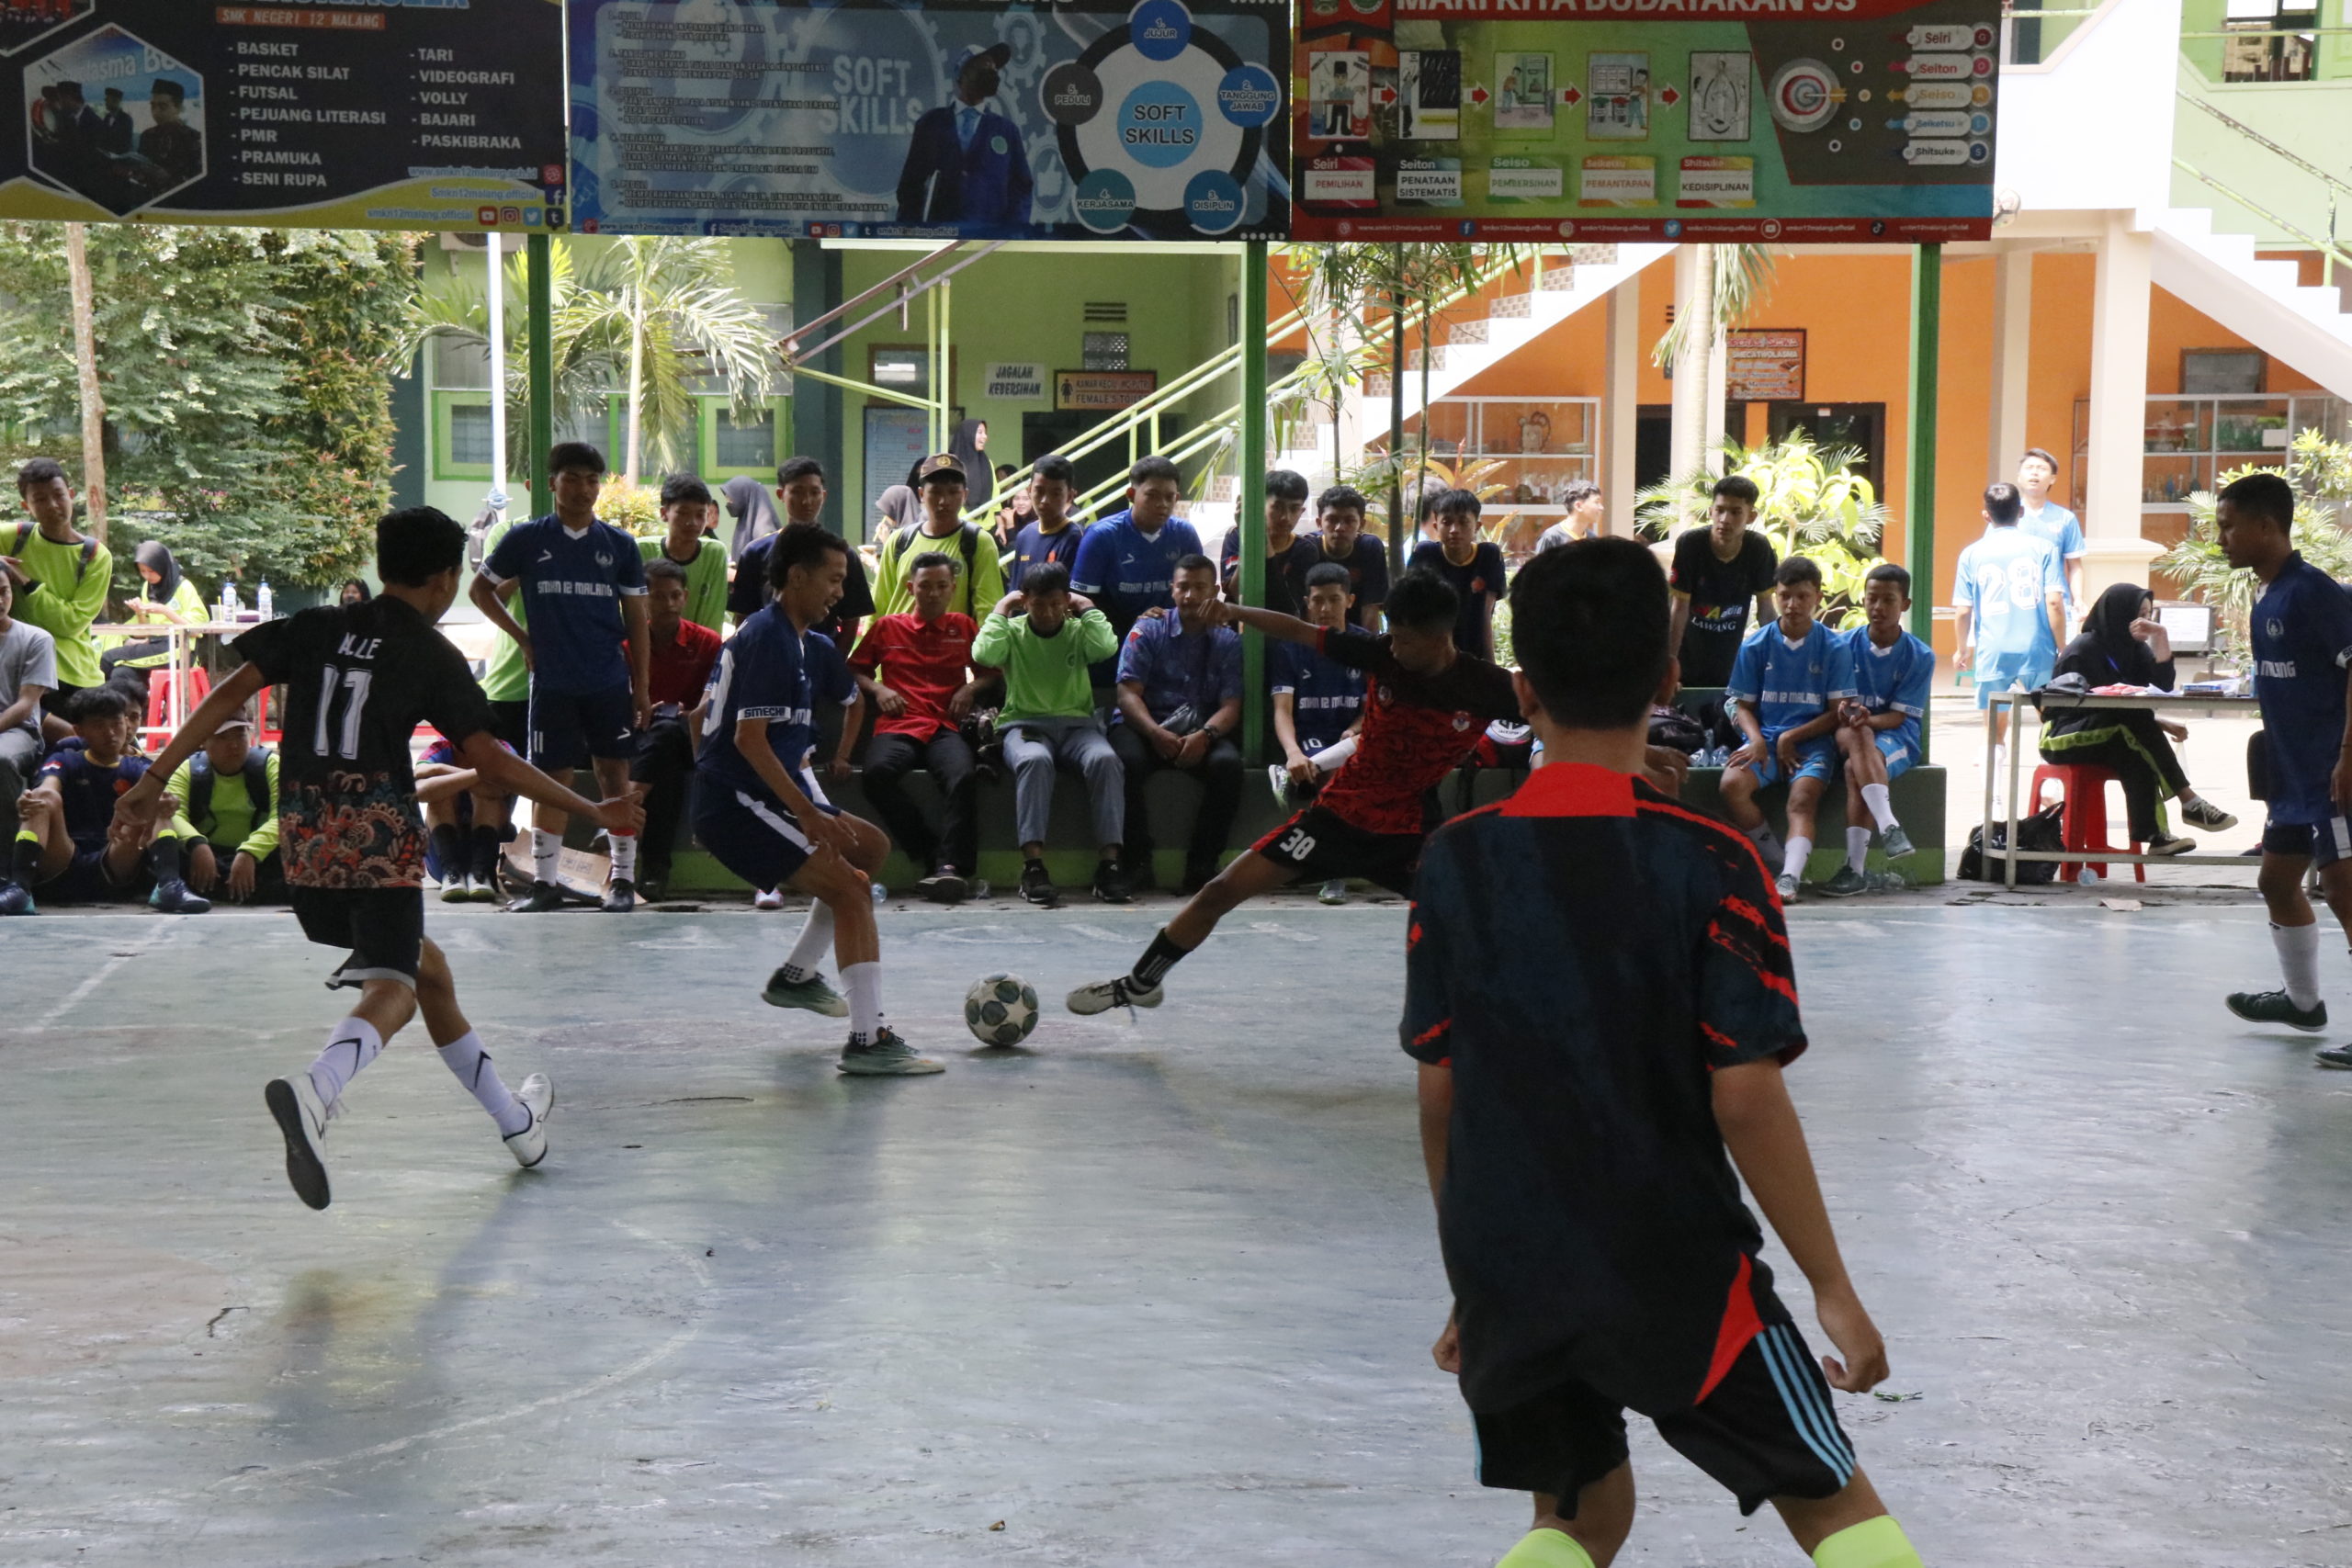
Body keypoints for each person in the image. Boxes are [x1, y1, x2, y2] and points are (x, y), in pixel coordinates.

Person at [1408, 536, 1924, 1568]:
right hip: (1679, 1271)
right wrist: (1830, 1285)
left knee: (1577, 1521)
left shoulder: (1455, 858)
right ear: (1664, 682)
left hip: (1514, 1264)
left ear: (1523, 688)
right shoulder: (1715, 861)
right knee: (1833, 1509)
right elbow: (1746, 1097)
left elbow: (1441, 1090)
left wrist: (1473, 1273)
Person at [112, 505, 646, 1210]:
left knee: (430, 971)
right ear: (445, 578)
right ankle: (318, 1090)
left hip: (304, 840)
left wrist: (154, 778)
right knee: (395, 985)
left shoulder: (315, 625)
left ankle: (516, 1123)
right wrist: (595, 811)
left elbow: (229, 692)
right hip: (377, 840)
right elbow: (491, 761)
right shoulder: (428, 651)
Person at [1067, 568, 1523, 1018]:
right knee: (1220, 891)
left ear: (1440, 635)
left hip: (1408, 832)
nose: (1395, 648)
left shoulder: (1488, 686)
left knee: (1470, 917)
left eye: (1406, 640)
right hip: (1333, 820)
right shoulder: (1381, 653)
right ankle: (1140, 983)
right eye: (1393, 636)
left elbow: (1553, 712)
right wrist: (1235, 612)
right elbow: (1296, 630)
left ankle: (1506, 1010)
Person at [695, 524, 939, 1076]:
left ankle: (797, 976)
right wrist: (806, 811)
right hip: (736, 802)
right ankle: (869, 1040)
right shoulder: (768, 638)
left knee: (869, 849)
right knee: (852, 891)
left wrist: (810, 795)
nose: (839, 591)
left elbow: (707, 719)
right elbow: (748, 740)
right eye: (833, 579)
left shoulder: (807, 642)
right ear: (797, 576)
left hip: (764, 794)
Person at [469, 442, 652, 914]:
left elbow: (637, 619)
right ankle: (545, 883)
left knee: (615, 775)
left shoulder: (620, 545)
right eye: (572, 478)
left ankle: (622, 880)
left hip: (608, 680)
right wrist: (523, 639)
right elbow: (480, 590)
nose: (583, 489)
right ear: (552, 483)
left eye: (592, 480)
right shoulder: (526, 539)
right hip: (552, 682)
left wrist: (643, 687)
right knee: (552, 778)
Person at [2212, 472, 2352, 1063]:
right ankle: (2302, 1002)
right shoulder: (2267, 595)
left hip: (2329, 775)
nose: (2220, 539)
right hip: (2292, 778)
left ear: (2266, 527)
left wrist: (2347, 755)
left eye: (2228, 527)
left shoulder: (2314, 593)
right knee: (2275, 882)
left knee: (2345, 894)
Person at [2040, 582, 2238, 859]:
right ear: (2120, 614)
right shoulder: (2083, 649)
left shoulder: (2135, 648)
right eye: (2139, 615)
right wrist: (2154, 722)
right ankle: (2189, 800)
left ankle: (2157, 837)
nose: (2144, 621)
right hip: (2061, 735)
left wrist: (2161, 635)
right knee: (2132, 736)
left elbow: (2162, 686)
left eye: (2149, 615)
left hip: (2112, 733)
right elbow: (2072, 707)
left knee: (2137, 758)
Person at [975, 564, 1129, 908]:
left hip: (1078, 726)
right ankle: (1033, 867)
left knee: (1106, 760)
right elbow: (983, 654)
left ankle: (1109, 865)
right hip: (1024, 725)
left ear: (1066, 602)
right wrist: (1001, 608)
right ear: (1025, 602)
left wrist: (1087, 607)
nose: (1047, 613)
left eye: (1056, 604)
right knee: (1034, 760)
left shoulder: (1077, 632)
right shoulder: (1012, 632)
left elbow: (1106, 647)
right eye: (1038, 605)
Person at [851, 550, 994, 903]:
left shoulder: (963, 626)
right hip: (899, 724)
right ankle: (931, 853)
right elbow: (854, 671)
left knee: (963, 776)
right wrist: (879, 689)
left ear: (953, 588)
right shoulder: (887, 627)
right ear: (910, 587)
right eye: (925, 586)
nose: (933, 593)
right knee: (876, 774)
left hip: (945, 726)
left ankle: (951, 868)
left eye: (942, 586)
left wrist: (969, 689)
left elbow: (991, 672)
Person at [1719, 557, 1857, 905]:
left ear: (1818, 597)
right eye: (1785, 596)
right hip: (1764, 740)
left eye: (1802, 596)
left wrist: (1791, 737)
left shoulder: (1834, 647)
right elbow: (1742, 706)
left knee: (1802, 801)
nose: (1792, 604)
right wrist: (1756, 740)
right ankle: (1779, 863)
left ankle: (1790, 879)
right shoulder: (1755, 645)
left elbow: (1837, 714)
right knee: (1731, 785)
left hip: (1811, 744)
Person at [1107, 554, 1243, 896]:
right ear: (1172, 589)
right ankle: (1136, 864)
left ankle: (1202, 867)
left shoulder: (1228, 641)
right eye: (1183, 587)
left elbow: (1231, 706)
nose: (1190, 596)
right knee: (1124, 762)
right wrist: (1154, 732)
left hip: (1200, 730)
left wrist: (1205, 735)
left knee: (1228, 766)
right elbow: (1127, 694)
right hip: (1145, 725)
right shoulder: (1148, 630)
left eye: (1199, 587)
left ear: (1215, 590)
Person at [8, 683, 200, 913]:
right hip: (62, 858)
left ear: (126, 723)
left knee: (154, 801)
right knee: (42, 798)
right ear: (79, 731)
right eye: (99, 725)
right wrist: (31, 799)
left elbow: (160, 797)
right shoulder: (65, 758)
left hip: (115, 861)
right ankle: (19, 888)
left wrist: (167, 804)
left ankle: (169, 885)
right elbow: (48, 786)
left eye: (116, 723)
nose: (110, 733)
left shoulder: (140, 767)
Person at [1820, 566, 1932, 897]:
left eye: (1888, 600)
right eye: (1872, 598)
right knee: (1859, 735)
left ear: (1905, 604)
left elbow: (1898, 717)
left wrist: (1867, 719)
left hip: (1898, 737)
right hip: (1849, 730)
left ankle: (1854, 870)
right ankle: (1889, 825)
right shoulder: (1842, 645)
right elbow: (1835, 705)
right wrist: (1854, 717)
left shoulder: (1920, 656)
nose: (1878, 607)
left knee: (1854, 766)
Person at [1268, 560, 1367, 904]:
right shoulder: (1291, 648)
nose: (1325, 608)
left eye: (1334, 599)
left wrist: (1354, 729)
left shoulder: (1365, 646)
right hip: (1310, 739)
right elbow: (1282, 711)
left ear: (1349, 601)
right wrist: (1293, 752)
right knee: (1331, 773)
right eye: (1318, 600)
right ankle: (1332, 872)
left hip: (1352, 739)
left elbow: (1373, 710)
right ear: (1307, 603)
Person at [631, 558, 724, 901]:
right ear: (643, 599)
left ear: (685, 596)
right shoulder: (627, 644)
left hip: (693, 739)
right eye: (658, 596)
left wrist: (689, 715)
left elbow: (716, 703)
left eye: (675, 595)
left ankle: (626, 807)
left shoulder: (708, 643)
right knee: (665, 768)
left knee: (670, 733)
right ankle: (655, 873)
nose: (668, 604)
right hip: (646, 739)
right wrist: (639, 712)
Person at [1952, 480, 2064, 757]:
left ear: (1986, 515)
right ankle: (2053, 777)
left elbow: (1964, 610)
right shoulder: (2044, 548)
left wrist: (1962, 648)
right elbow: (2054, 602)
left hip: (1993, 649)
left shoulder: (1971, 554)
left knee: (1993, 729)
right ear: (2021, 511)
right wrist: (2062, 646)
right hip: (2037, 648)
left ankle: (1993, 782)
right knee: (2052, 723)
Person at [2, 457, 109, 722]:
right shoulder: (13, 538)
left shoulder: (94, 555)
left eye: (59, 495)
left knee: (99, 738)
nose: (52, 505)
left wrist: (27, 583)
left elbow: (70, 623)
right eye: (40, 499)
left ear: (71, 495)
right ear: (26, 506)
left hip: (74, 673)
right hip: (20, 670)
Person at [729, 458, 876, 649]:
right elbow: (743, 617)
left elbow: (851, 620)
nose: (807, 501)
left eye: (814, 493)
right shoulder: (756, 553)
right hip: (768, 654)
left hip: (821, 658)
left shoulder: (843, 556)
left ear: (824, 495)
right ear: (781, 494)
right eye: (797, 492)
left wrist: (834, 660)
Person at [1070, 455, 1206, 646]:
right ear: (1131, 495)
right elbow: (1082, 601)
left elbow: (1199, 591)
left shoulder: (1185, 534)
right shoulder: (1101, 536)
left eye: (1169, 497)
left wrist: (1171, 619)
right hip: (1114, 643)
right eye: (1152, 495)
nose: (1162, 504)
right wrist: (1135, 624)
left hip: (1171, 642)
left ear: (1177, 498)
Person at [895, 43, 1032, 230]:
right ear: (963, 72)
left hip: (989, 237)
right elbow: (910, 185)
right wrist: (908, 230)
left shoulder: (1006, 130)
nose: (991, 72)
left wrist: (1014, 231)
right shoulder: (931, 124)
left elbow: (1022, 187)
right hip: (941, 234)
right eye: (984, 65)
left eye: (994, 68)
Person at [159, 704, 284, 904]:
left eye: (240, 734)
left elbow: (284, 816)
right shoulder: (189, 769)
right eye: (222, 737)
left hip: (261, 858)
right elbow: (172, 814)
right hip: (207, 858)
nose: (234, 745)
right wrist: (196, 844)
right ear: (203, 741)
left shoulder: (270, 765)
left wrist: (251, 852)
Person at [1668, 474, 1778, 690]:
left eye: (1735, 512)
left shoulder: (1759, 549)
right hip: (1686, 660)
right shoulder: (1690, 544)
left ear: (1751, 516)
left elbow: (1766, 613)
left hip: (1730, 663)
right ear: (1711, 511)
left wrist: (1780, 661)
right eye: (1720, 510)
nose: (1725, 519)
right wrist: (1668, 668)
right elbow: (1679, 609)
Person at [872, 453, 1007, 620]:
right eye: (935, 492)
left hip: (954, 637)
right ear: (922, 494)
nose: (944, 501)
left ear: (965, 495)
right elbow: (880, 603)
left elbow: (988, 609)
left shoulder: (978, 542)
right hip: (899, 637)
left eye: (953, 492)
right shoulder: (900, 540)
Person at [416, 728, 515, 903]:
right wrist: (481, 774)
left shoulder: (502, 749)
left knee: (487, 795)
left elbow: (500, 789)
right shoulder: (439, 749)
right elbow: (420, 791)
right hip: (443, 856)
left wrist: (440, 771)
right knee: (439, 794)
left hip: (489, 851)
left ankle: (480, 874)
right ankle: (452, 874)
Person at [1408, 489, 1509, 659]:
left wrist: (1489, 665)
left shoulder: (1488, 555)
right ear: (1436, 526)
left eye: (1463, 522)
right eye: (1447, 522)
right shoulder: (1425, 554)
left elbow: (1485, 614)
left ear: (1477, 526)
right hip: (1431, 652)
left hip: (1473, 651)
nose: (1454, 529)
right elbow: (1413, 611)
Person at [98, 540, 204, 698]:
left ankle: (100, 707)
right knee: (121, 673)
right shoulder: (148, 588)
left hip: (178, 649)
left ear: (162, 566)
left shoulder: (184, 587)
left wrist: (165, 611)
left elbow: (195, 630)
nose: (147, 576)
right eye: (143, 571)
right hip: (154, 645)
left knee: (108, 658)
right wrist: (140, 612)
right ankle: (136, 712)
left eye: (151, 571)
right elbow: (145, 632)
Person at [0, 571, 55, 858]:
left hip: (19, 730)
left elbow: (25, 704)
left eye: (4, 591)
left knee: (1, 758)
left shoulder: (36, 639)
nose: (0, 601)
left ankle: (12, 863)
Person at [1218, 468, 1321, 619]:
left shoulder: (1305, 550)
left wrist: (1263, 539)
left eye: (1294, 509)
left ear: (1302, 511)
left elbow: (1287, 608)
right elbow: (1237, 593)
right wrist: (1249, 538)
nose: (1286, 517)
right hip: (1240, 626)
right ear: (1261, 506)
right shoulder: (1237, 536)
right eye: (1277, 507)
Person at [641, 475, 729, 632]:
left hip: (699, 645)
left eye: (700, 514)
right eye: (683, 513)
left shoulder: (715, 554)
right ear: (664, 513)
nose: (692, 522)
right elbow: (634, 611)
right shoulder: (641, 550)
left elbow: (713, 618)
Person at [1307, 484, 1390, 630]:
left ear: (1361, 524)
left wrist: (1368, 642)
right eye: (1332, 520)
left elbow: (1370, 610)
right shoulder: (1308, 547)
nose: (1340, 528)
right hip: (1314, 632)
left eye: (1349, 521)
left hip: (1356, 632)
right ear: (1319, 523)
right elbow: (1305, 609)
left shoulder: (1370, 547)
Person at [2016, 447, 2086, 619]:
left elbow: (2075, 565)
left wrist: (2078, 599)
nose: (2035, 473)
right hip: (2017, 603)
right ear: (2019, 477)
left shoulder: (2065, 518)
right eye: (2029, 468)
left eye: (2041, 469)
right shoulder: (2005, 515)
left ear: (2053, 478)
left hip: (2056, 604)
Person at [1007, 454, 1088, 587]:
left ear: (1070, 496)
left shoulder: (1076, 539)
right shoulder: (1025, 535)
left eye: (1055, 493)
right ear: (1029, 490)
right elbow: (1016, 589)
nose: (1045, 500)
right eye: (1039, 491)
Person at [139, 79, 201, 186]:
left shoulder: (193, 138)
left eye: (163, 106)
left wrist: (169, 178)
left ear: (178, 108)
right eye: (153, 106)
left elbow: (198, 178)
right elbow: (141, 172)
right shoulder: (147, 135)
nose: (156, 112)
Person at [1534, 479, 1607, 550]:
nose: (1601, 508)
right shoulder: (1551, 538)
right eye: (1596, 502)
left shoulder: (1593, 540)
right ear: (1578, 506)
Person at [721, 472, 781, 560]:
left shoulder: (763, 529)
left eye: (730, 499)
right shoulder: (747, 521)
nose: (728, 503)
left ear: (743, 496)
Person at [96, 86, 130, 155]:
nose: (105, 102)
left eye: (107, 99)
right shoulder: (107, 117)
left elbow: (126, 144)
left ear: (116, 101)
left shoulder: (126, 119)